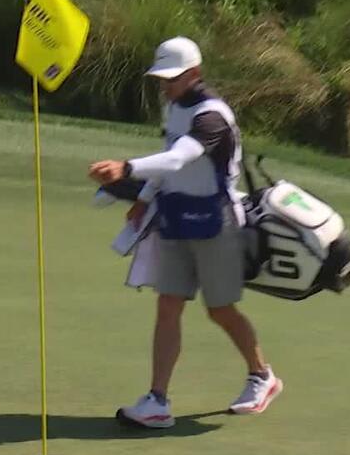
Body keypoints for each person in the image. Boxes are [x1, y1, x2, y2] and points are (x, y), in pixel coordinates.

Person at [89, 37, 281, 429]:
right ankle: (157, 401)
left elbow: (180, 157)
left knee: (220, 310)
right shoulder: (174, 107)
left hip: (217, 224)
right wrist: (143, 198)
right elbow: (168, 164)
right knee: (168, 306)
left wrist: (126, 169)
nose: (166, 85)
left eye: (172, 78)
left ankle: (262, 376)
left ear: (194, 74)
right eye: (162, 79)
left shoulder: (213, 116)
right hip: (176, 217)